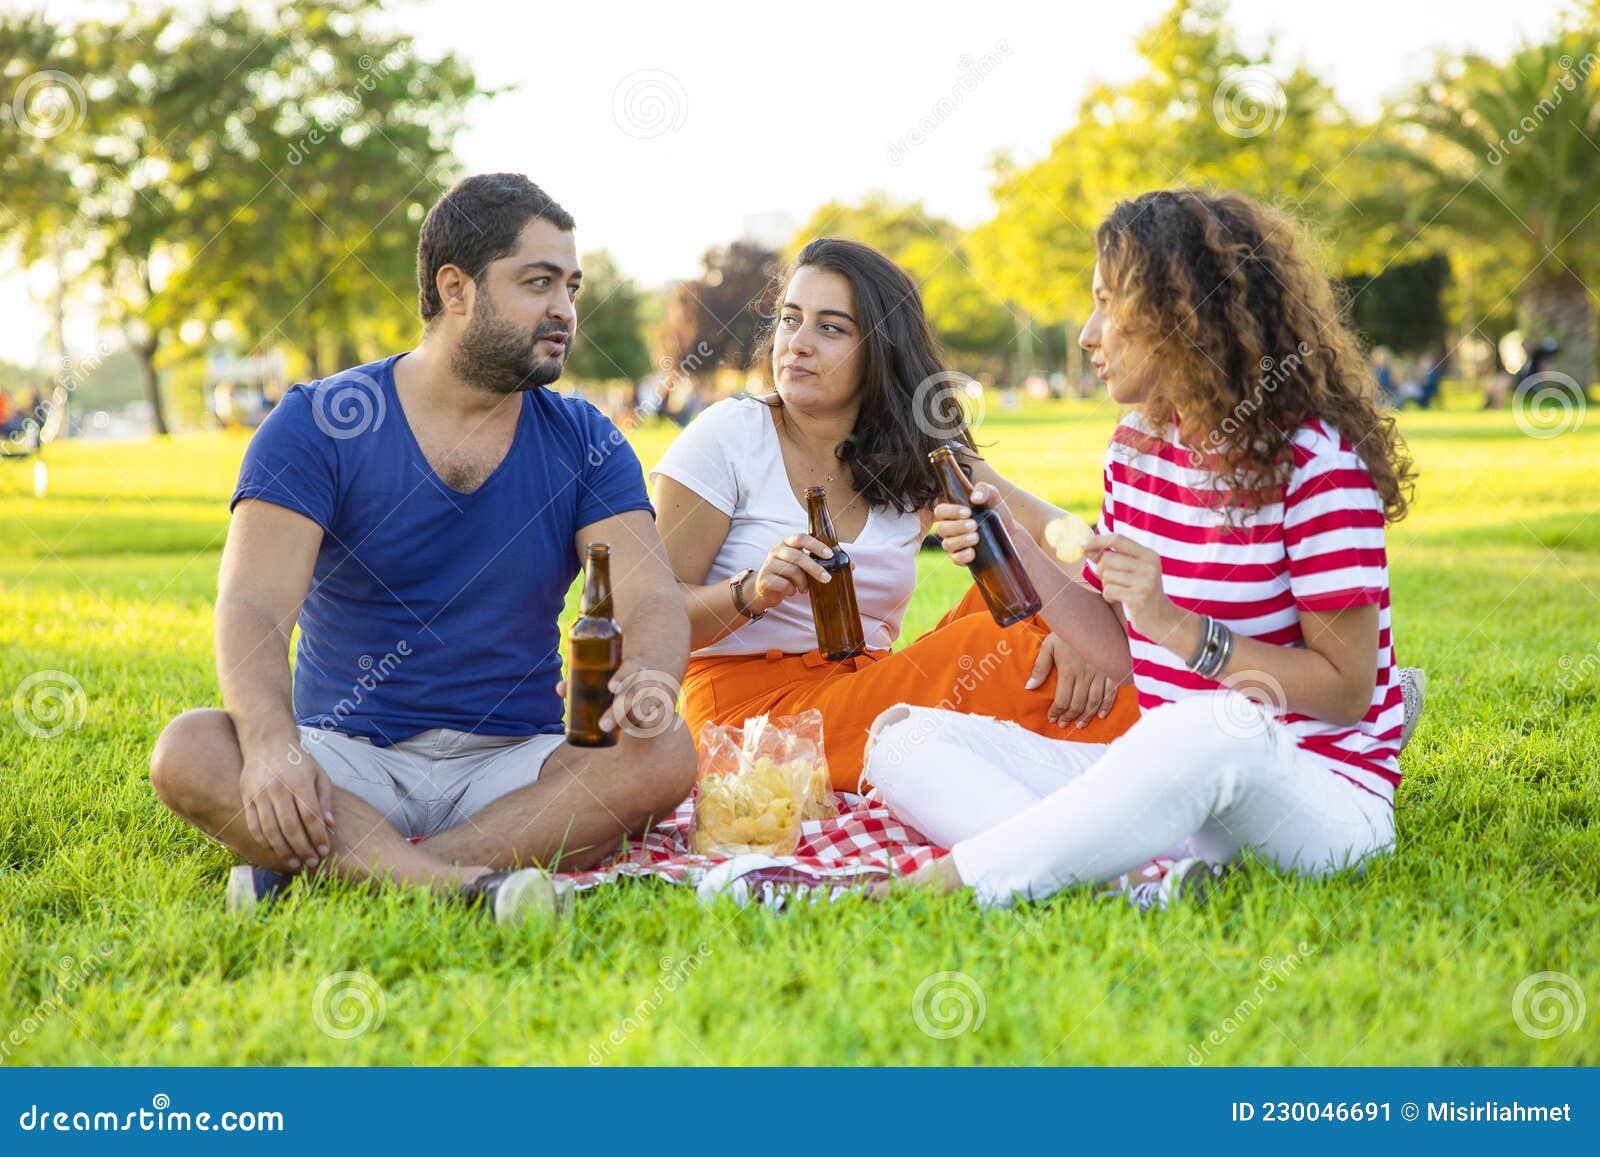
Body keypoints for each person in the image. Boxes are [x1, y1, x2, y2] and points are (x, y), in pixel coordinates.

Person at [148, 174, 696, 924]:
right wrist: (275, 748)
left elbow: (652, 596)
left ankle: (361, 869)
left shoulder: (587, 440)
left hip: (517, 762)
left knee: (665, 750)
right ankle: (461, 887)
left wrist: (652, 674)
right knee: (190, 749)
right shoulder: (320, 422)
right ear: (456, 287)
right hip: (345, 758)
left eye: (570, 285)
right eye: (538, 283)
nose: (565, 309)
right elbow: (252, 605)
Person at [863, 189, 1420, 908]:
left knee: (1213, 723)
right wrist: (1010, 537)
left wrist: (1181, 629)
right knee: (902, 738)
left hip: (1316, 800)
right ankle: (1127, 881)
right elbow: (1124, 654)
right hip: (1167, 776)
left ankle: (947, 886)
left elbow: (1346, 690)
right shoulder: (1136, 449)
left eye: (1107, 304)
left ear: (1179, 316)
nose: (1089, 334)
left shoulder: (1317, 463)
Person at [650, 238, 1139, 792]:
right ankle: (1152, 764)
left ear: (881, 350)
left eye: (830, 328)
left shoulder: (913, 451)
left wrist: (1080, 625)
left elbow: (1062, 536)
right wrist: (752, 592)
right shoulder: (729, 436)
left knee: (1028, 597)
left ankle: (1128, 748)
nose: (798, 344)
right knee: (987, 652)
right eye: (791, 319)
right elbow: (651, 617)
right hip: (751, 723)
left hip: (862, 688)